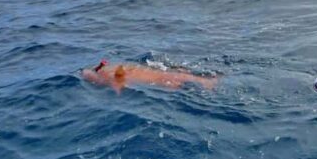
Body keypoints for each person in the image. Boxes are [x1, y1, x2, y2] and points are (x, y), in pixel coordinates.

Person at [81, 59, 218, 93]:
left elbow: (119, 85)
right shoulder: (112, 70)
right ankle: (206, 81)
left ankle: (206, 82)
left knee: (165, 80)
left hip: (159, 80)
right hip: (158, 74)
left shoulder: (109, 79)